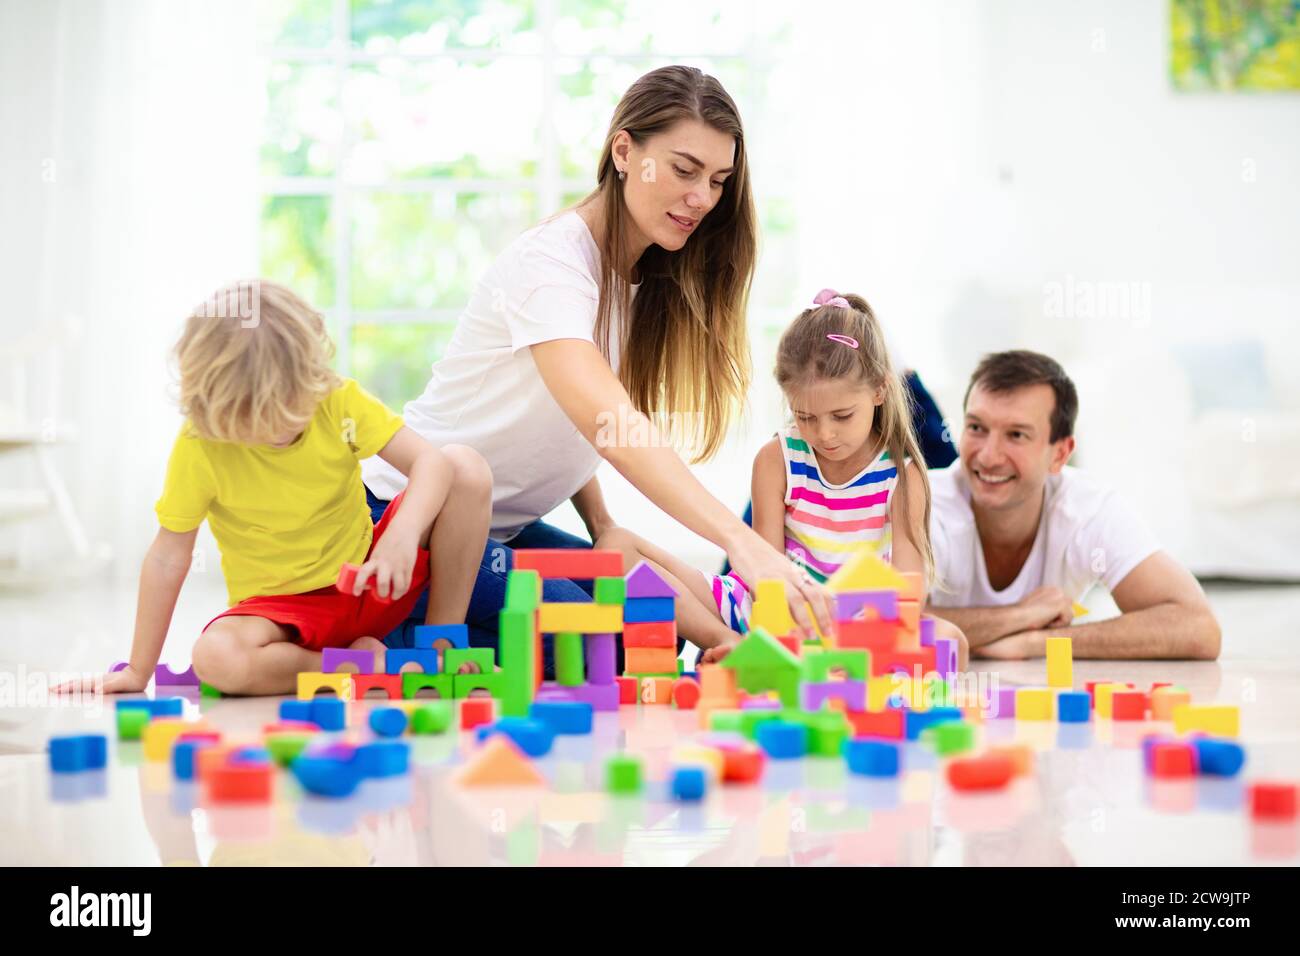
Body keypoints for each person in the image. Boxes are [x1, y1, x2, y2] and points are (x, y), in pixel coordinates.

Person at [362, 65, 834, 672]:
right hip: (408, 516)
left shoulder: (645, 276)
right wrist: (741, 543)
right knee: (601, 647)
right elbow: (608, 421)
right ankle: (381, 637)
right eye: (684, 170)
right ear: (623, 151)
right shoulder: (552, 265)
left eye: (718, 180)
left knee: (655, 629)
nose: (702, 198)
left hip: (497, 533)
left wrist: (602, 522)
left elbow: (566, 420)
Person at [57, 280, 492, 696]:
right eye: (259, 419)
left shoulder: (336, 400)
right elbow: (169, 556)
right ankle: (350, 667)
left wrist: (400, 536)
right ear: (214, 406)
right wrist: (137, 669)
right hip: (280, 617)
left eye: (294, 408)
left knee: (465, 467)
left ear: (314, 376)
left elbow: (430, 463)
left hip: (368, 581)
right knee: (216, 657)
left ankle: (440, 644)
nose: (283, 428)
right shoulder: (200, 445)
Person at [628, 288, 965, 664]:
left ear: (880, 390)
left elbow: (907, 591)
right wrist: (780, 633)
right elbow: (764, 570)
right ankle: (730, 643)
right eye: (805, 417)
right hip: (771, 617)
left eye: (841, 416)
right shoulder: (776, 460)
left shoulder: (904, 476)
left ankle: (785, 665)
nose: (824, 434)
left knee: (950, 641)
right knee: (619, 546)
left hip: (856, 631)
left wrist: (845, 639)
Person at [925, 350, 1221, 660]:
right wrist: (1020, 616)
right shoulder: (924, 503)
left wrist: (1039, 643)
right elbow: (884, 627)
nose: (988, 455)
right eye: (976, 428)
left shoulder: (1086, 508)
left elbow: (1198, 628)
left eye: (1016, 435)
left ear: (1060, 454)